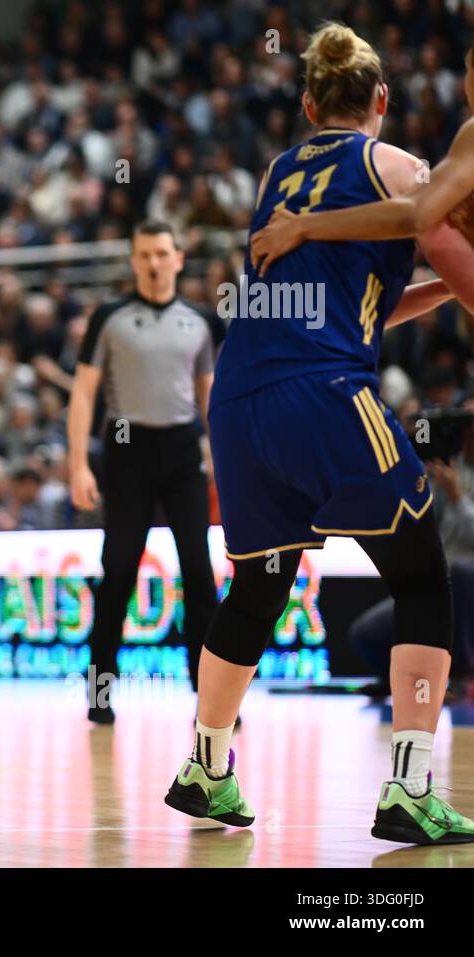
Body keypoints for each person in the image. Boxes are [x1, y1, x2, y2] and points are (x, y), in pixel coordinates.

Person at [166, 23, 474, 844]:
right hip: (322, 390)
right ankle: (410, 785)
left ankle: (207, 765)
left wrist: (435, 287)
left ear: (307, 104)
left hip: (239, 399)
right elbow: (420, 210)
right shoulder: (398, 166)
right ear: (382, 100)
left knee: (260, 586)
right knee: (420, 575)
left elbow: (357, 304)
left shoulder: (277, 172)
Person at [68, 221, 222, 723]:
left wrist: (220, 456)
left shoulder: (200, 321)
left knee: (200, 575)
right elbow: (84, 393)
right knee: (118, 572)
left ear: (179, 257)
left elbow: (209, 396)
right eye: (144, 255)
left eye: (162, 253)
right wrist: (77, 464)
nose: (153, 263)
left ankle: (211, 699)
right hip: (125, 445)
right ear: (133, 261)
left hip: (181, 448)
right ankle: (100, 694)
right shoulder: (110, 318)